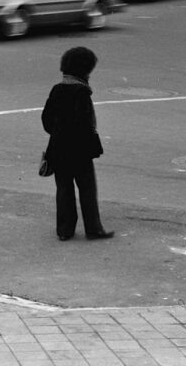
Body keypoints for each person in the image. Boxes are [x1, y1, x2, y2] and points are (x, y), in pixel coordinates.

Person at [41, 45, 114, 241]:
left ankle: (65, 230)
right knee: (87, 189)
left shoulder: (57, 89)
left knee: (63, 189)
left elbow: (46, 120)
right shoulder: (82, 93)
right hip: (80, 150)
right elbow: (86, 124)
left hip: (58, 148)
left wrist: (57, 134)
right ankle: (93, 228)